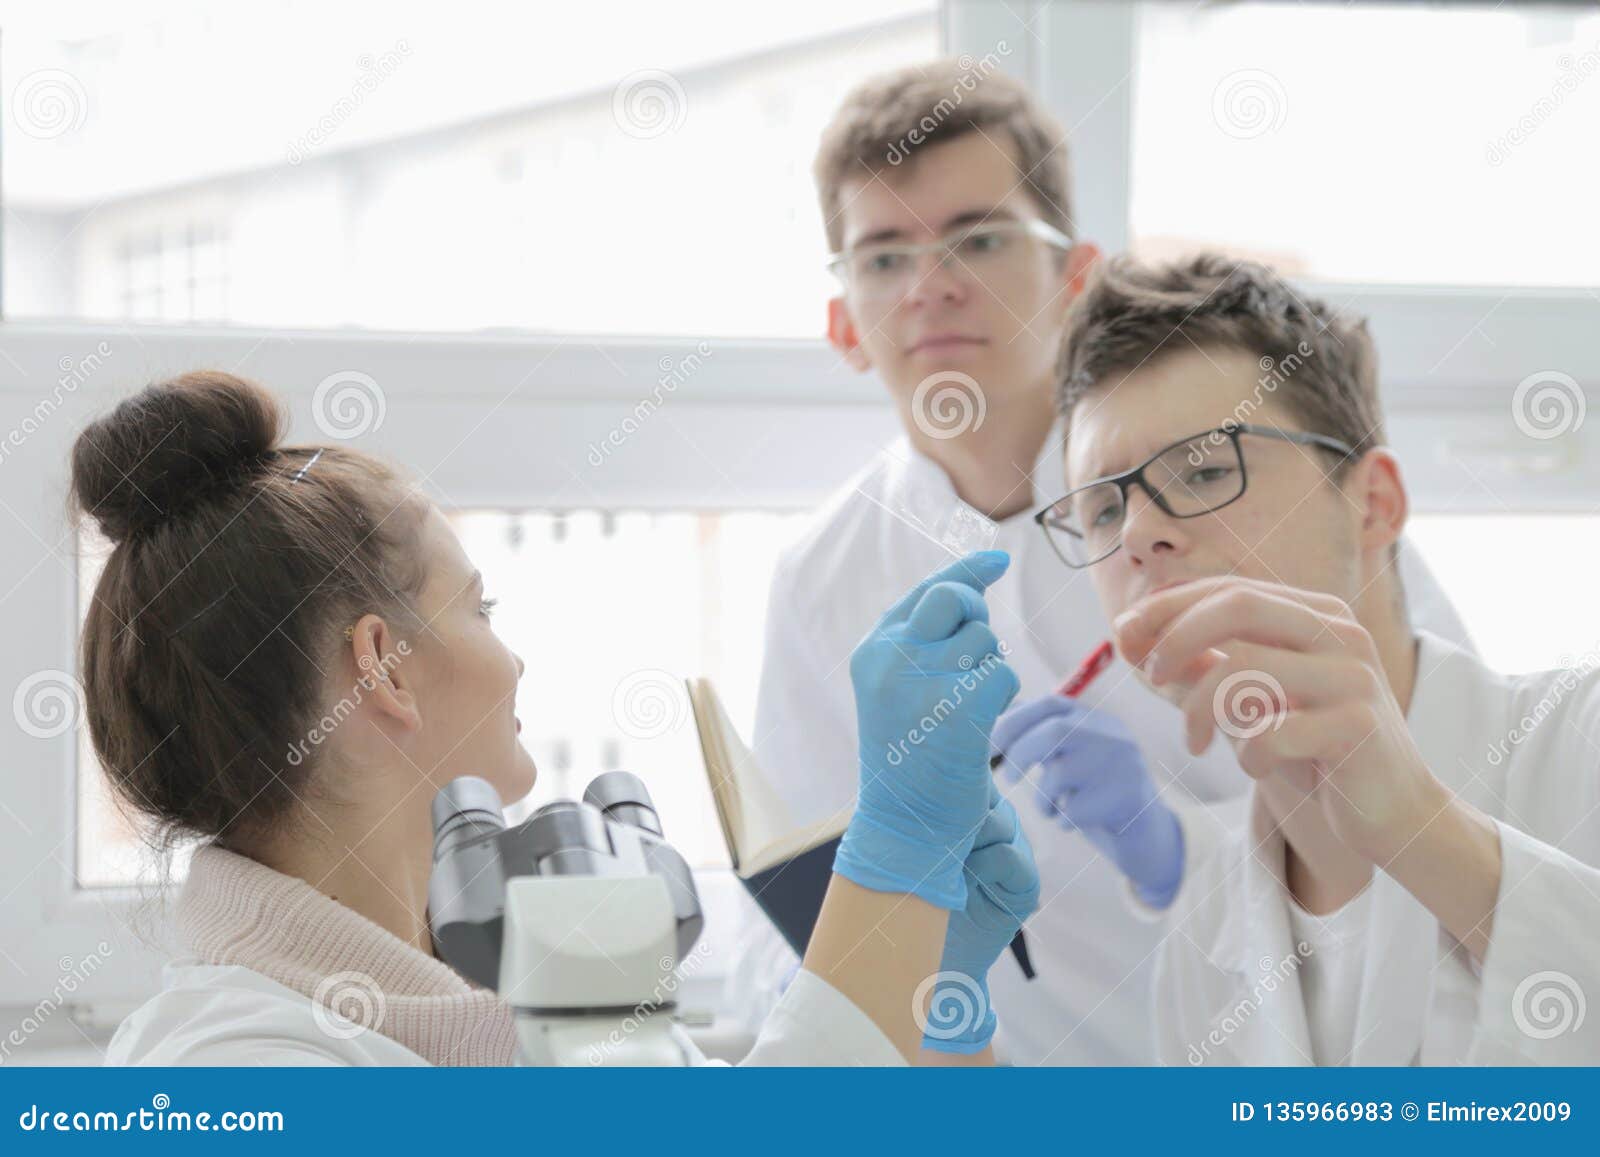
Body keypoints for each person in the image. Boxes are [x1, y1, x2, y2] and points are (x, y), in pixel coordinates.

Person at [739, 59, 1470, 1064]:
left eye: (981, 237)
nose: (931, 287)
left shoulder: (1243, 471)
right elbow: (795, 904)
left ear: (1075, 276)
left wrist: (1173, 843)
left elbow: (1457, 787)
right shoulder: (821, 579)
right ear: (842, 326)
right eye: (882, 257)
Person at [81, 371, 1036, 1066]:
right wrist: (897, 860)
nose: (513, 659)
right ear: (387, 668)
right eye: (480, 610)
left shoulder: (521, 989)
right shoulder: (233, 1070)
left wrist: (934, 995)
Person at [1038, 253, 1600, 1065]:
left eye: (1203, 468)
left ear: (1374, 504)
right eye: (1101, 506)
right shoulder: (1201, 945)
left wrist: (1420, 828)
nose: (1135, 535)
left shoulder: (1576, 742)